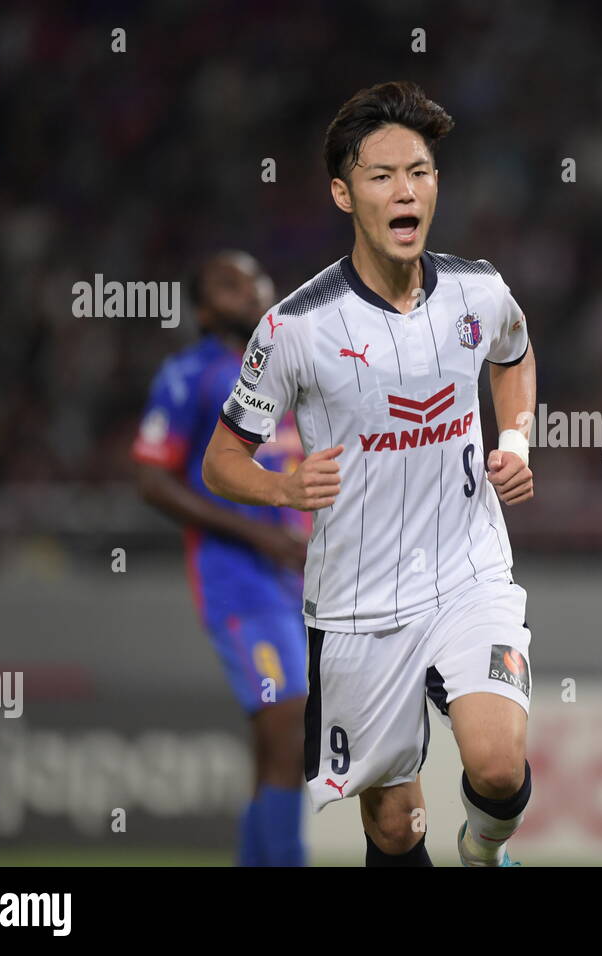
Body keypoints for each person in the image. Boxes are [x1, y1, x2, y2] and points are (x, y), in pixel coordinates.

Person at [202, 81, 538, 867]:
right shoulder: (295, 328)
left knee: (496, 764)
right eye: (382, 175)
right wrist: (282, 488)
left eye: (419, 172)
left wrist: (516, 441)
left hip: (468, 573)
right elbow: (222, 460)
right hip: (357, 601)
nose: (404, 190)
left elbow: (514, 354)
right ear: (343, 193)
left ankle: (483, 853)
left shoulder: (478, 291)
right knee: (394, 830)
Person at [132, 251, 310, 866]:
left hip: (298, 583)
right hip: (239, 583)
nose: (250, 287)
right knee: (290, 725)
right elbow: (152, 480)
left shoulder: (286, 373)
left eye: (256, 277)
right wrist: (259, 536)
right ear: (206, 311)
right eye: (228, 284)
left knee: (274, 748)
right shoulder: (192, 375)